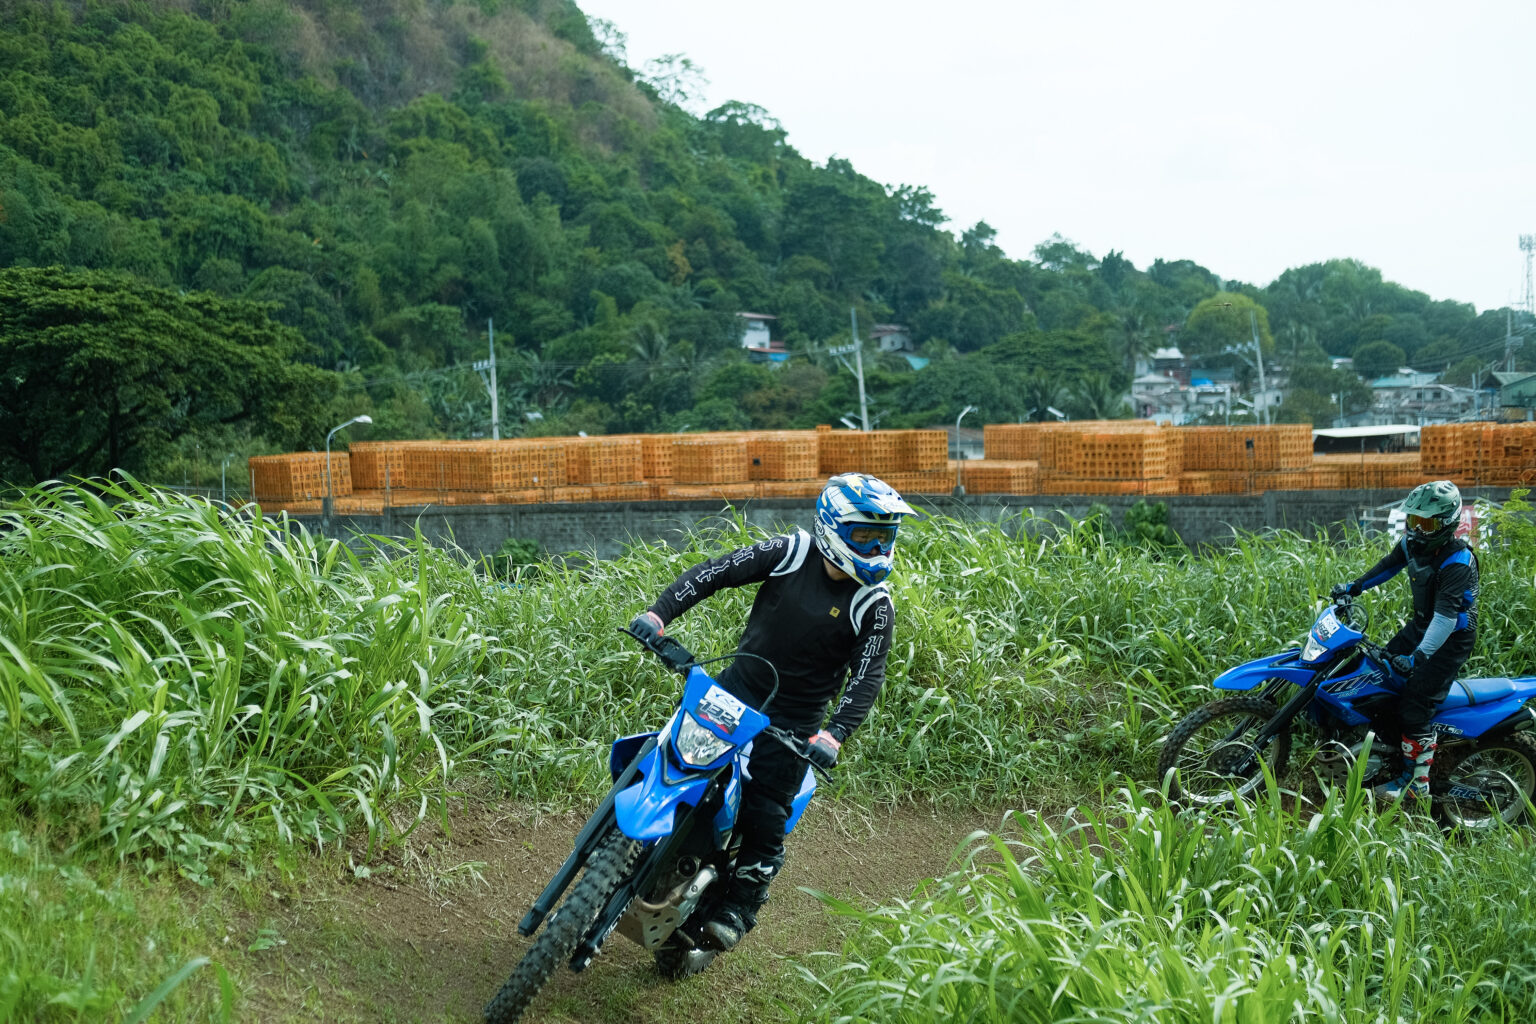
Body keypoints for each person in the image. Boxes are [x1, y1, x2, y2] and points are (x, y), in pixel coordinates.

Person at [627, 473, 914, 951]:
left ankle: (740, 907)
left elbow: (868, 676)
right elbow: (715, 572)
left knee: (766, 814)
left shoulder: (875, 605)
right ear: (832, 526)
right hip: (734, 693)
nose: (877, 546)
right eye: (865, 534)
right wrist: (659, 615)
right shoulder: (789, 551)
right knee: (665, 753)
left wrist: (834, 734)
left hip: (793, 725)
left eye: (885, 536)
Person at [1333, 480, 1478, 800]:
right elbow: (1388, 566)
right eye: (1412, 520)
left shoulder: (1458, 561)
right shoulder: (1412, 543)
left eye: (1425, 523)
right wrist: (1354, 587)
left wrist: (1417, 658)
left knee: (1416, 701)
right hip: (1422, 626)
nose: (1416, 529)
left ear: (1448, 523)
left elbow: (1446, 619)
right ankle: (1386, 745)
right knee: (1378, 671)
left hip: (1451, 638)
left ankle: (1415, 783)